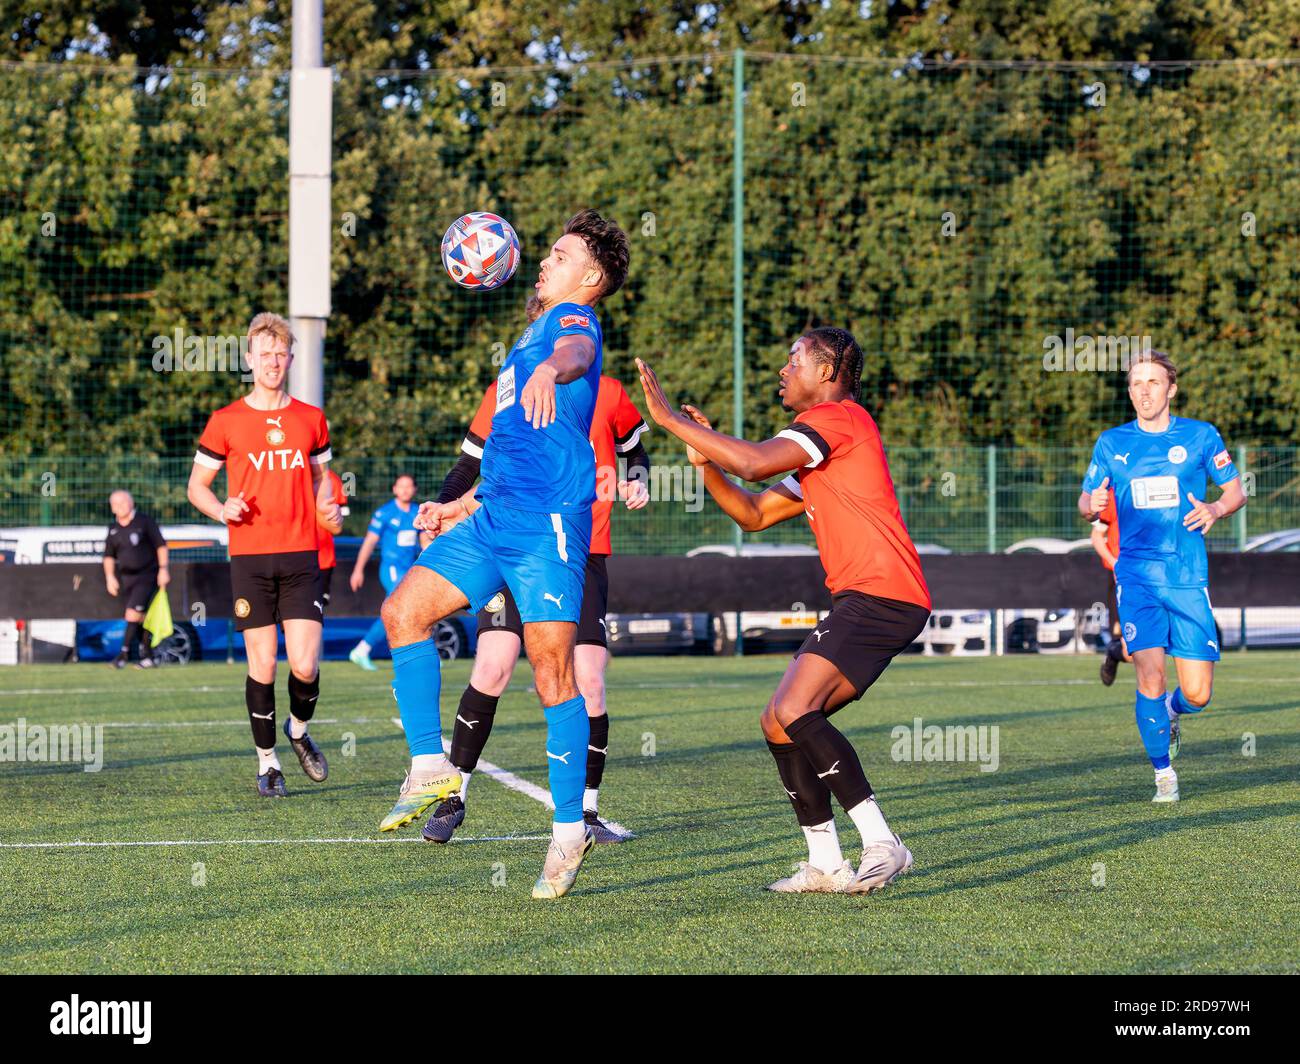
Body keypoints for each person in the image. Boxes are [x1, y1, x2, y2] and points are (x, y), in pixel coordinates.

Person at [377, 208, 630, 900]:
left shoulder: (570, 325)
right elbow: (511, 448)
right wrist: (456, 506)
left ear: (592, 276)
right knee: (403, 612)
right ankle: (431, 766)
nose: (545, 262)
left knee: (553, 677)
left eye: (559, 253)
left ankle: (569, 831)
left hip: (549, 528)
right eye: (546, 253)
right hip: (494, 519)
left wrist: (554, 365)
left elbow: (577, 354)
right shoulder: (526, 342)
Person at [636, 327, 931, 895]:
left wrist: (674, 421)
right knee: (778, 721)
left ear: (826, 373)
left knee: (796, 706)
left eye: (794, 358)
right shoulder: (823, 447)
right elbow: (751, 513)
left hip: (883, 593)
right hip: (873, 597)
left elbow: (753, 463)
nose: (783, 368)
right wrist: (702, 461)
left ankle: (882, 842)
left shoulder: (838, 418)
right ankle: (825, 862)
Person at [423, 335, 651, 845]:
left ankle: (587, 813)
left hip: (580, 551)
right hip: (510, 544)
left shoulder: (609, 393)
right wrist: (441, 508)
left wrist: (639, 481)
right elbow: (468, 466)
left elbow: (637, 450)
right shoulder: (504, 391)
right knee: (494, 664)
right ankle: (452, 793)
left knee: (589, 678)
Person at [1078, 351, 1246, 802]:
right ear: (1129, 391)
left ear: (1171, 388)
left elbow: (1235, 491)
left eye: (1153, 382)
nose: (1144, 391)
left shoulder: (1200, 436)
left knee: (1198, 693)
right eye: (1136, 384)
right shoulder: (1112, 443)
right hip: (1136, 577)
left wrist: (1215, 507)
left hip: (1188, 578)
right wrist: (1090, 505)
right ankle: (1164, 774)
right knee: (1149, 676)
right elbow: (1085, 500)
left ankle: (1173, 712)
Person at [187, 312, 341, 797]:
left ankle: (297, 730)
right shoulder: (225, 421)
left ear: (291, 359)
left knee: (305, 665)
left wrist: (329, 511)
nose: (273, 362)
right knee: (262, 664)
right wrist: (221, 508)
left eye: (281, 354)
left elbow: (321, 483)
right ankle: (267, 762)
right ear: (249, 359)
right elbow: (197, 487)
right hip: (251, 559)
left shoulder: (311, 419)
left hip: (300, 557)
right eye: (265, 354)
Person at [348, 474, 421, 670]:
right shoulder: (385, 513)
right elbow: (370, 542)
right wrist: (358, 570)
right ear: (394, 489)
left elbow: (425, 543)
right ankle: (363, 650)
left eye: (409, 486)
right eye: (401, 486)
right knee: (397, 607)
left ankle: (414, 655)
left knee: (407, 611)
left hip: (411, 570)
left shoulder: (417, 512)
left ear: (415, 489)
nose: (405, 490)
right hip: (391, 569)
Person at [102, 490, 168, 669]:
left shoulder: (144, 522)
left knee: (132, 613)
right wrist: (109, 577)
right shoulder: (113, 528)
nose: (119, 507)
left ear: (131, 503)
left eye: (122, 502)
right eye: (115, 504)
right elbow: (108, 556)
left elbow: (161, 546)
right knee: (139, 618)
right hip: (126, 579)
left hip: (147, 576)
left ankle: (123, 656)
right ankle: (148, 657)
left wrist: (163, 570)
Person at [1090, 494, 1131, 686]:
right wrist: (1115, 564)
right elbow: (1097, 536)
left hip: (1153, 578)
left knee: (1153, 649)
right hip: (1122, 580)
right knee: (1131, 653)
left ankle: (1161, 704)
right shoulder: (1115, 497)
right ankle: (1113, 652)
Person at [316, 465, 349, 613]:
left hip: (321, 557)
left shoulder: (332, 480)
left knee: (316, 608)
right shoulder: (281, 474)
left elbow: (336, 527)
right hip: (287, 554)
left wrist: (313, 509)